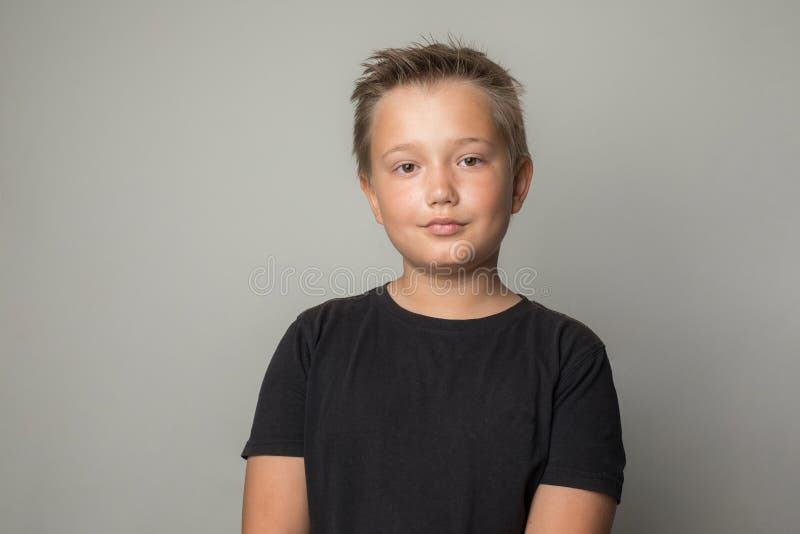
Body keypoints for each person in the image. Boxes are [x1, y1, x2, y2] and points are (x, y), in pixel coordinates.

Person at [241, 34, 626, 534]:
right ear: (373, 196)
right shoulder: (314, 343)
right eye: (407, 167)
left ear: (519, 183)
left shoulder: (570, 359)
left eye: (469, 160)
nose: (440, 191)